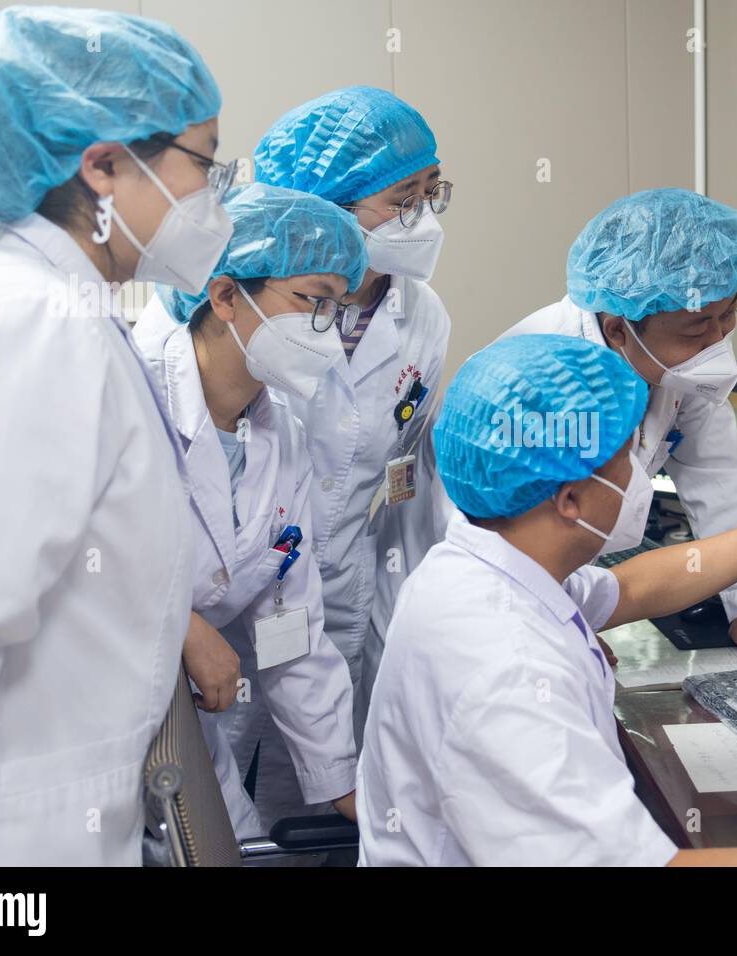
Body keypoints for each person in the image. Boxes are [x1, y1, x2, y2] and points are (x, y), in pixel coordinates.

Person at [357, 335, 737, 866]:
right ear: (570, 500)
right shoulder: (509, 667)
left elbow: (631, 587)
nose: (636, 473)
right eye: (625, 455)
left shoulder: (481, 561)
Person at [0, 6, 230, 865]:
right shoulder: (34, 324)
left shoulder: (56, 307)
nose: (213, 194)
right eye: (203, 163)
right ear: (105, 168)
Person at [133, 183, 365, 835]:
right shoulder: (129, 394)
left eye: (337, 308)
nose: (330, 330)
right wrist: (179, 625)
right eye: (312, 303)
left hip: (183, 727)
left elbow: (290, 627)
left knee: (229, 840)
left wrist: (347, 786)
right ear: (227, 296)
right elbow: (58, 556)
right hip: (77, 717)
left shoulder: (279, 431)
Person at [501, 188, 737, 661]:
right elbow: (501, 541)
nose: (717, 340)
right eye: (697, 329)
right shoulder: (537, 378)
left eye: (729, 312)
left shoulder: (675, 365)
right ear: (618, 330)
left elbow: (721, 479)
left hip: (579, 583)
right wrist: (555, 632)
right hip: (502, 608)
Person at [252, 86, 453, 740]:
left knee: (321, 803)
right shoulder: (256, 301)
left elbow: (405, 480)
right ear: (325, 207)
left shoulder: (422, 318)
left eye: (431, 191)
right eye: (403, 199)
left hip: (341, 593)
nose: (423, 215)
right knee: (219, 806)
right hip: (233, 599)